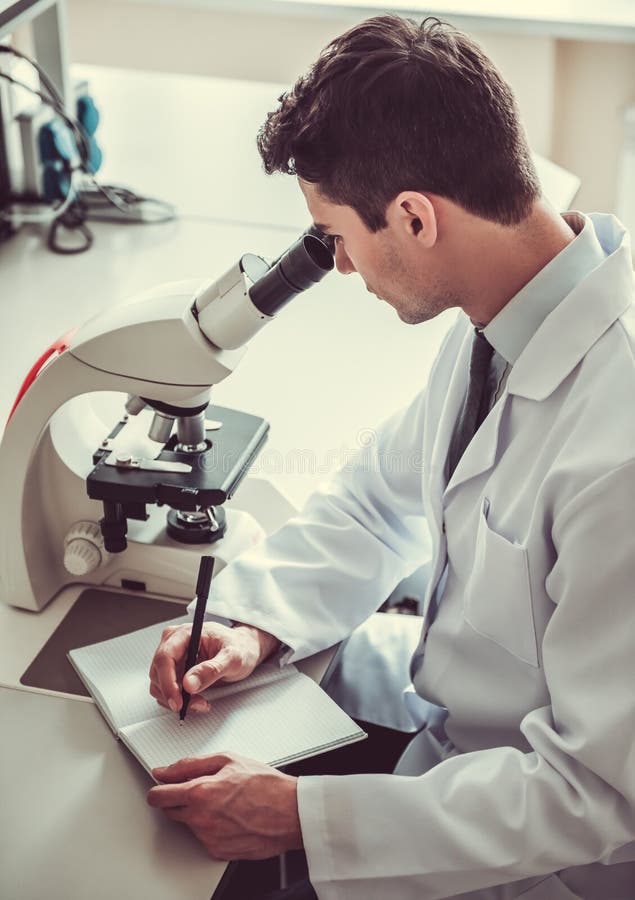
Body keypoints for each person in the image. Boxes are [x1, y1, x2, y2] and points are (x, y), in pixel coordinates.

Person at [146, 14, 635, 900]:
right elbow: (379, 501)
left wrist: (302, 818)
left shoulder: (619, 448)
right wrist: (253, 621)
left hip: (545, 853)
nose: (336, 267)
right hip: (451, 737)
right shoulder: (507, 317)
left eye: (335, 237)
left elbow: (595, 793)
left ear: (413, 217)